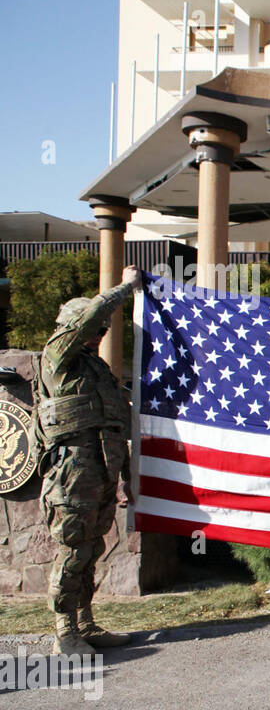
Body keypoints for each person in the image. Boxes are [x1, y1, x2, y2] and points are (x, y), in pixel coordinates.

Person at [35, 265, 142, 656]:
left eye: (104, 333)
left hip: (101, 472)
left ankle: (85, 622)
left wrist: (128, 477)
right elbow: (90, 316)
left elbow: (116, 425)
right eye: (97, 330)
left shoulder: (96, 371)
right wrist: (125, 289)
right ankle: (64, 630)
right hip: (71, 474)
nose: (101, 335)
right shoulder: (57, 357)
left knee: (92, 549)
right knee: (73, 549)